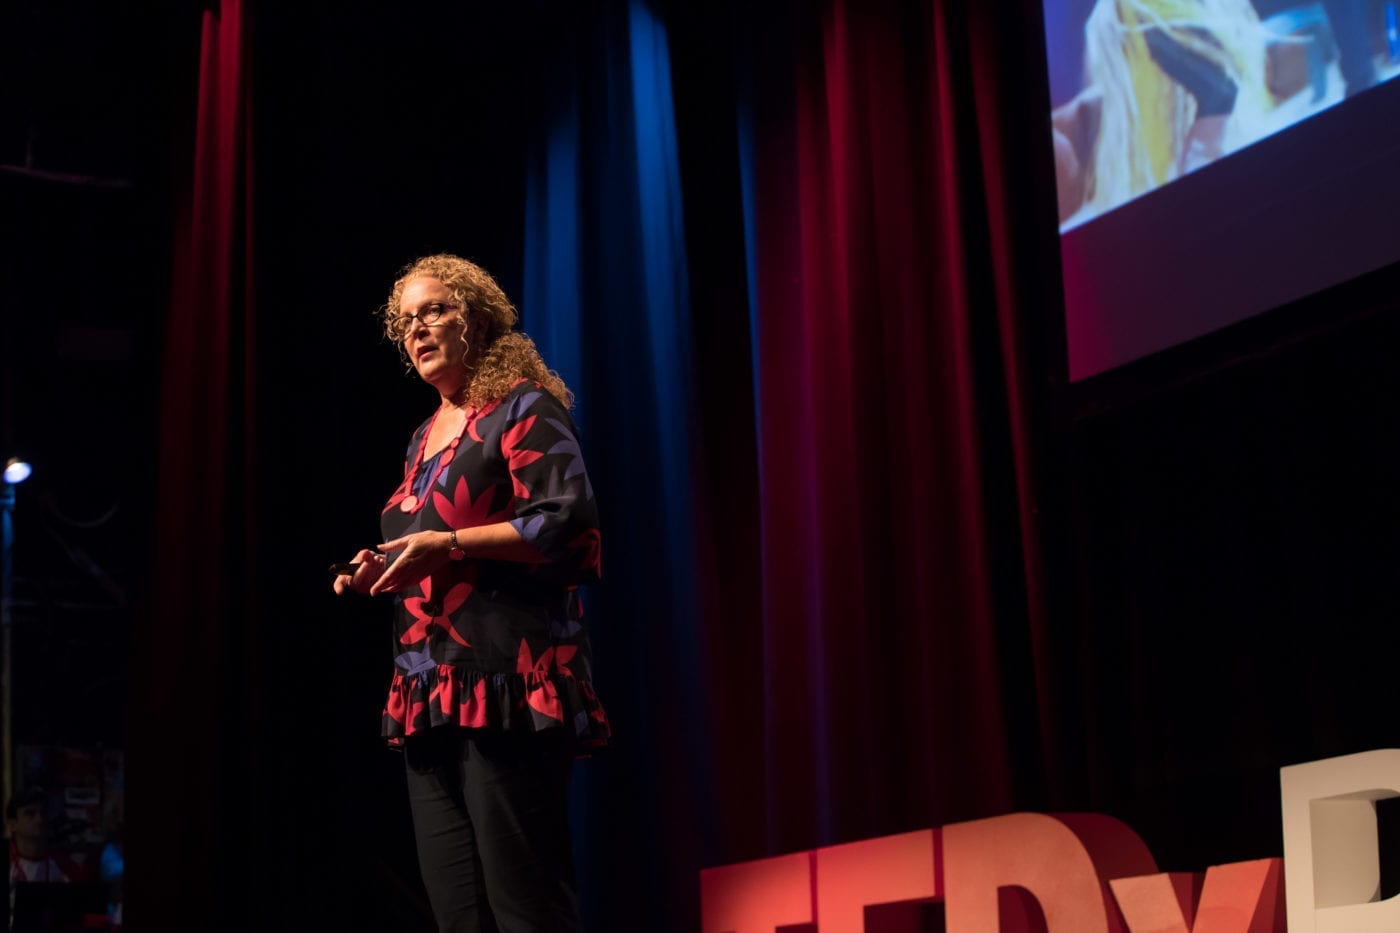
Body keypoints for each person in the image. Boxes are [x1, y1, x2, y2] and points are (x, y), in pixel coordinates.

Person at [335, 254, 609, 932]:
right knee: (459, 913)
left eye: (434, 311)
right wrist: (381, 563)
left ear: (476, 318)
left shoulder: (521, 407)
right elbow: (423, 534)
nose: (418, 329)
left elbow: (566, 519)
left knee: (525, 905)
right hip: (428, 688)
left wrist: (446, 544)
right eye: (406, 321)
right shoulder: (421, 439)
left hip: (506, 680)